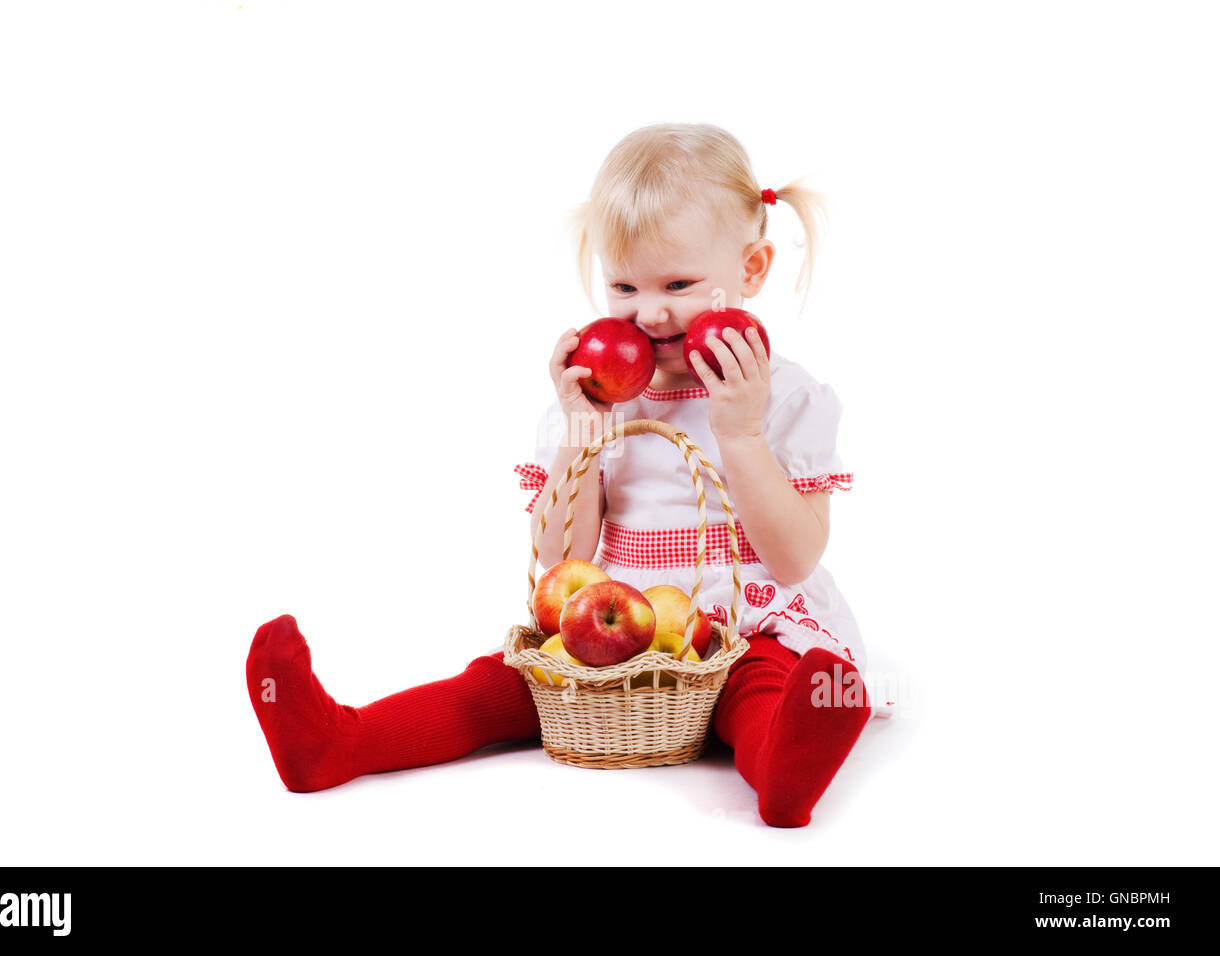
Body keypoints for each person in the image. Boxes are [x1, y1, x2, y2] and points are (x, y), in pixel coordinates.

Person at [247, 122, 876, 828]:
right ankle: (336, 742)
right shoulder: (599, 401)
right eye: (625, 286)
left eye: (680, 283)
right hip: (619, 625)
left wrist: (740, 430)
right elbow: (560, 562)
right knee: (500, 685)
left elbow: (794, 560)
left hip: (742, 627)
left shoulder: (786, 399)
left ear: (753, 269)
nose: (651, 312)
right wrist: (583, 432)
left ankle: (783, 772)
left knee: (761, 687)